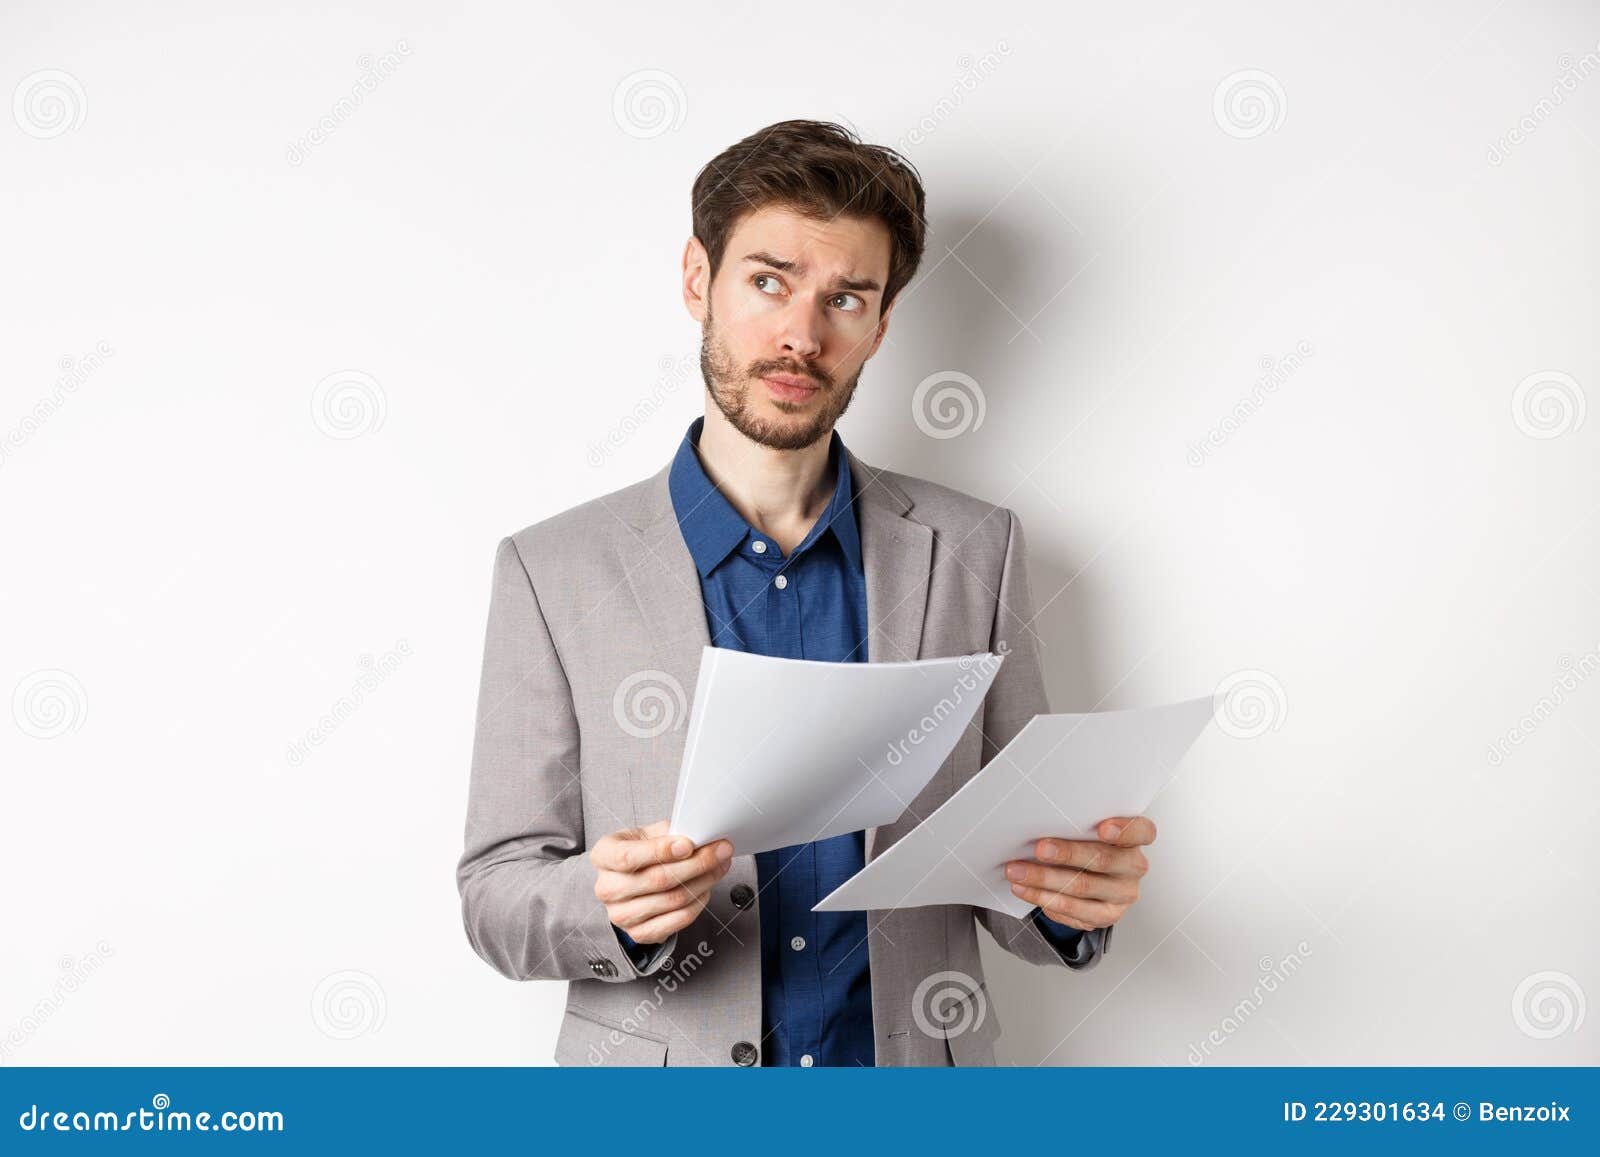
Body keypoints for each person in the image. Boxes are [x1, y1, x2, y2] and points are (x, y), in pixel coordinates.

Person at [456, 119, 1157, 1067]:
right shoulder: (552, 570)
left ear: (881, 324)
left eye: (846, 298)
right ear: (698, 280)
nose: (802, 334)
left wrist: (1068, 900)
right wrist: (607, 904)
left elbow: (1016, 870)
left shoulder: (976, 549)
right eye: (768, 281)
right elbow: (495, 893)